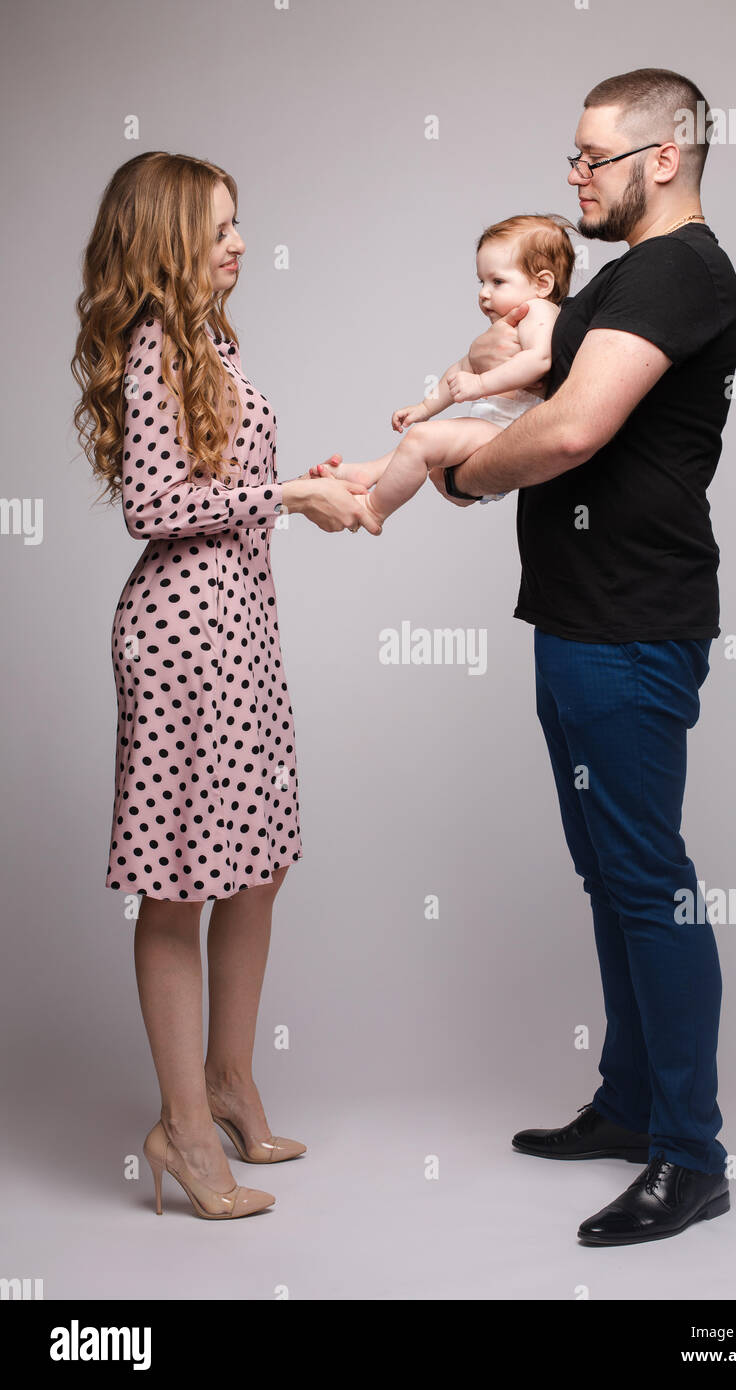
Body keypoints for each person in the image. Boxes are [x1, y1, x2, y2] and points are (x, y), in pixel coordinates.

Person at [428, 68, 736, 1246]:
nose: (571, 180)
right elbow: (536, 380)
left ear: (662, 157)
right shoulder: (628, 276)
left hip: (629, 625)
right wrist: (466, 392)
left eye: (589, 157)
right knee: (611, 880)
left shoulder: (681, 269)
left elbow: (570, 429)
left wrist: (459, 468)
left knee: (647, 883)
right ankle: (628, 1105)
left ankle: (689, 1154)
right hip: (575, 616)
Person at [72, 151, 379, 1220]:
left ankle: (229, 1078)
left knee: (256, 864)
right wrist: (290, 497)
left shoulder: (206, 340)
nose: (240, 242)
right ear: (165, 241)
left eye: (240, 223)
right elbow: (154, 505)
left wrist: (305, 484)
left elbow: (219, 484)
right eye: (219, 228)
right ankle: (186, 1136)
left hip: (236, 625)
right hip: (182, 635)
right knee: (179, 883)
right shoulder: (155, 338)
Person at [308, 215, 574, 524]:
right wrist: (424, 407)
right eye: (482, 282)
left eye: (497, 281)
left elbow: (538, 360)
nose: (484, 293)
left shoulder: (540, 311)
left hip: (514, 435)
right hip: (496, 428)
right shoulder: (512, 321)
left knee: (422, 440)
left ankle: (374, 509)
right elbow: (463, 367)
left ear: (542, 284)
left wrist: (480, 384)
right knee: (420, 442)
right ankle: (369, 472)